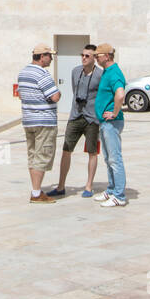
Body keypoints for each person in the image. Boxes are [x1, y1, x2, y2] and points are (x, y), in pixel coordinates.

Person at [49, 43, 103, 198]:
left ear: (94, 58)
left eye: (87, 56)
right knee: (66, 150)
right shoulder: (75, 72)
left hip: (92, 119)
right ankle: (61, 186)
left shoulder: (100, 75)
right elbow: (75, 90)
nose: (84, 58)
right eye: (82, 55)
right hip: (75, 116)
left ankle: (89, 186)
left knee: (92, 152)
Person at [18, 43, 62, 203]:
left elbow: (22, 95)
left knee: (33, 155)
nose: (51, 58)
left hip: (28, 120)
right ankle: (36, 194)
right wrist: (59, 92)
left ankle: (36, 190)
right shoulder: (42, 74)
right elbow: (55, 96)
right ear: (42, 56)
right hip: (44, 121)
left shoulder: (23, 72)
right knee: (42, 156)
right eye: (49, 55)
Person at [92, 42, 127, 208]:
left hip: (111, 122)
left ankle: (119, 195)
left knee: (115, 158)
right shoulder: (107, 71)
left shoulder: (114, 73)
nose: (96, 58)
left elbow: (120, 94)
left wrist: (114, 112)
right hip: (105, 122)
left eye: (98, 55)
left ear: (107, 56)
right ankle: (112, 190)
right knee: (108, 158)